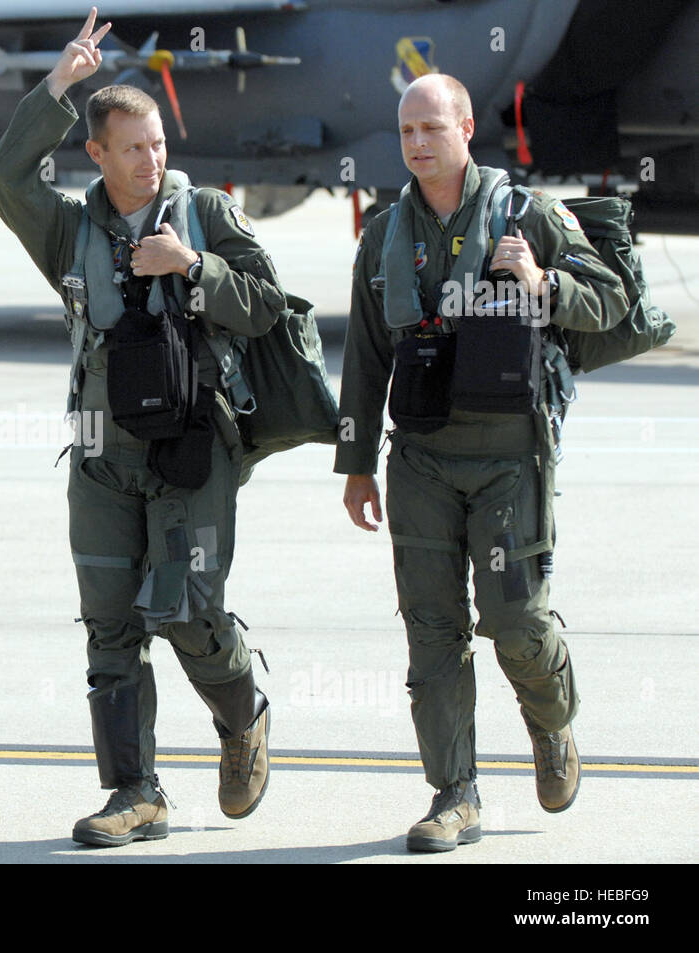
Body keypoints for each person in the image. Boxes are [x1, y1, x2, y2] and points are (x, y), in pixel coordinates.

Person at [0, 8, 293, 847]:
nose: (151, 159)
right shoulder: (70, 230)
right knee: (111, 623)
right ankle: (135, 790)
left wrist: (192, 265)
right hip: (101, 452)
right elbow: (7, 182)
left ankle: (244, 717)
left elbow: (269, 307)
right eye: (132, 147)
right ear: (97, 154)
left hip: (193, 452)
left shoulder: (206, 216)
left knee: (187, 611)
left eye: (157, 143)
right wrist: (57, 86)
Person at [336, 73, 629, 852]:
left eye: (432, 127)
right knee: (431, 634)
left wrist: (544, 280)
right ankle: (454, 793)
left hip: (507, 456)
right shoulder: (383, 233)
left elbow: (611, 300)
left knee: (514, 623)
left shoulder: (526, 213)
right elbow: (366, 357)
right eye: (406, 132)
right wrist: (356, 461)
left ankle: (552, 719)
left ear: (466, 126)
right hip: (422, 460)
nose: (418, 143)